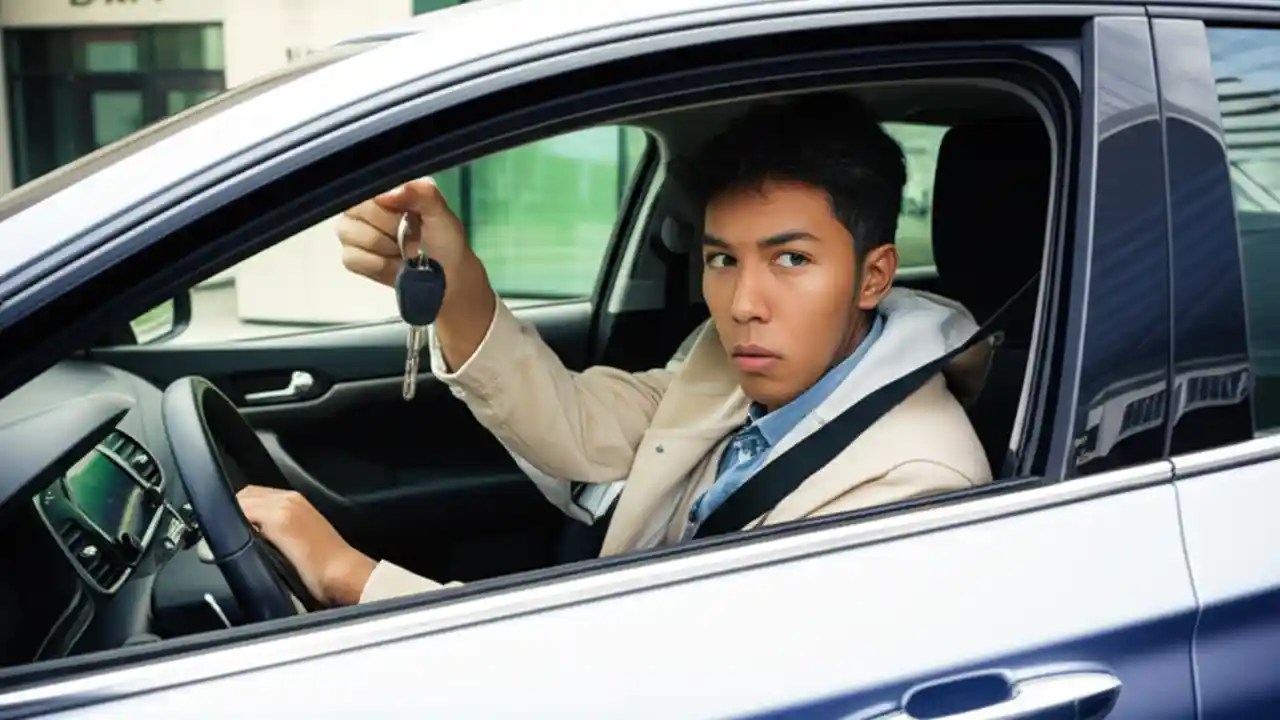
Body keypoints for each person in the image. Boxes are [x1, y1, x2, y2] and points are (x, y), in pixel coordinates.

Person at [237, 91, 994, 608]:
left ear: (873, 276)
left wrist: (353, 579)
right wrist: (460, 285)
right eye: (722, 258)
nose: (742, 304)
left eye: (791, 259)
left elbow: (666, 682)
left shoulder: (914, 484)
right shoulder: (733, 360)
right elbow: (576, 424)